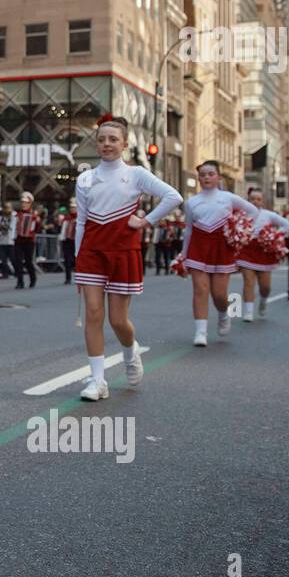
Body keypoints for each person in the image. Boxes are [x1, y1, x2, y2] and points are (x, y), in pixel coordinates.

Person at [73, 115, 182, 400]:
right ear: (96, 144)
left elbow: (173, 196)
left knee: (118, 321)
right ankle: (97, 381)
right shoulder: (85, 178)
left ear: (124, 143)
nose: (107, 144)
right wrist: (77, 258)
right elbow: (82, 221)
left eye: (113, 139)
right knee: (93, 314)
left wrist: (146, 221)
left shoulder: (136, 174)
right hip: (92, 252)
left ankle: (130, 352)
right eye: (102, 139)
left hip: (123, 250)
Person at [180, 161, 260, 347]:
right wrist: (184, 255)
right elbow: (189, 230)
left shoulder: (229, 198)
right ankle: (201, 332)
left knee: (219, 294)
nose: (207, 177)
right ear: (199, 178)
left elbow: (253, 212)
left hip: (222, 248)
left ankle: (224, 314)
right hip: (198, 247)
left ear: (218, 177)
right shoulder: (191, 202)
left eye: (211, 174)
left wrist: (239, 229)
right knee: (200, 290)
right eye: (203, 174)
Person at [235, 186, 289, 322]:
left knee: (265, 286)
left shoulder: (268, 215)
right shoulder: (241, 214)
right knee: (248, 281)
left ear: (262, 201)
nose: (255, 201)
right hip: (246, 250)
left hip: (264, 252)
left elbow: (287, 225)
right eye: (252, 199)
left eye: (258, 199)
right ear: (248, 200)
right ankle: (248, 311)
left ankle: (264, 300)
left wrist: (274, 235)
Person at [12, 191, 39, 289]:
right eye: (22, 202)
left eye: (26, 202)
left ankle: (33, 278)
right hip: (18, 240)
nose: (23, 204)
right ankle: (20, 282)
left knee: (28, 261)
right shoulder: (16, 215)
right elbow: (13, 227)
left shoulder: (34, 216)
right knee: (17, 261)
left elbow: (35, 229)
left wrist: (38, 223)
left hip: (29, 241)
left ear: (30, 203)